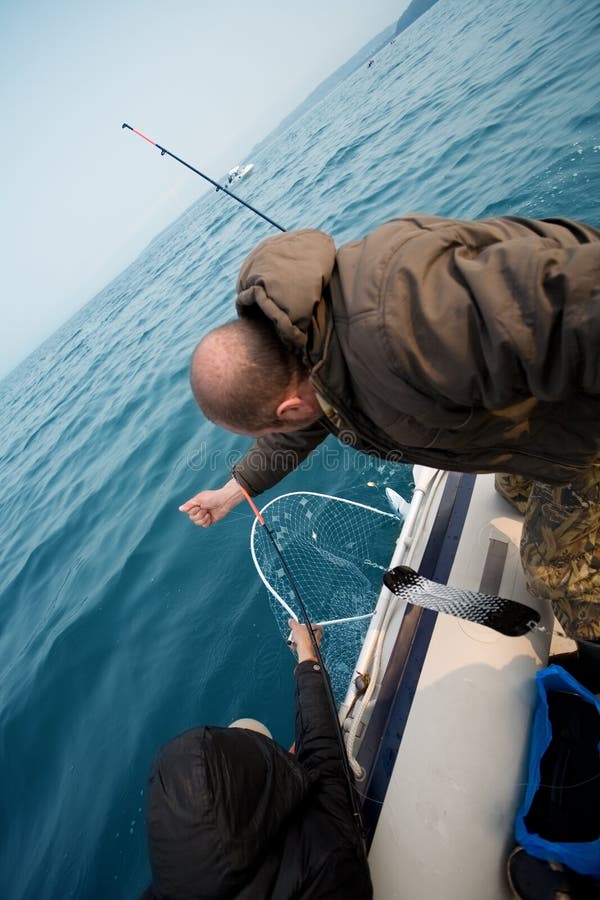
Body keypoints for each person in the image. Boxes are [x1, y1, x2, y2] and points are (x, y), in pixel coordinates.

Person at [178, 214, 600, 655]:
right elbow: (303, 425)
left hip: (584, 420)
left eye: (269, 425)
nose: (279, 432)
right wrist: (232, 491)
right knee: (512, 488)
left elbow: (574, 303)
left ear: (288, 408)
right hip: (536, 421)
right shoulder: (307, 345)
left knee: (553, 565)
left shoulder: (413, 328)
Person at [141, 620, 372, 899]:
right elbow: (327, 759)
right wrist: (307, 656)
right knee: (248, 729)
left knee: (244, 728)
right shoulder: (328, 858)